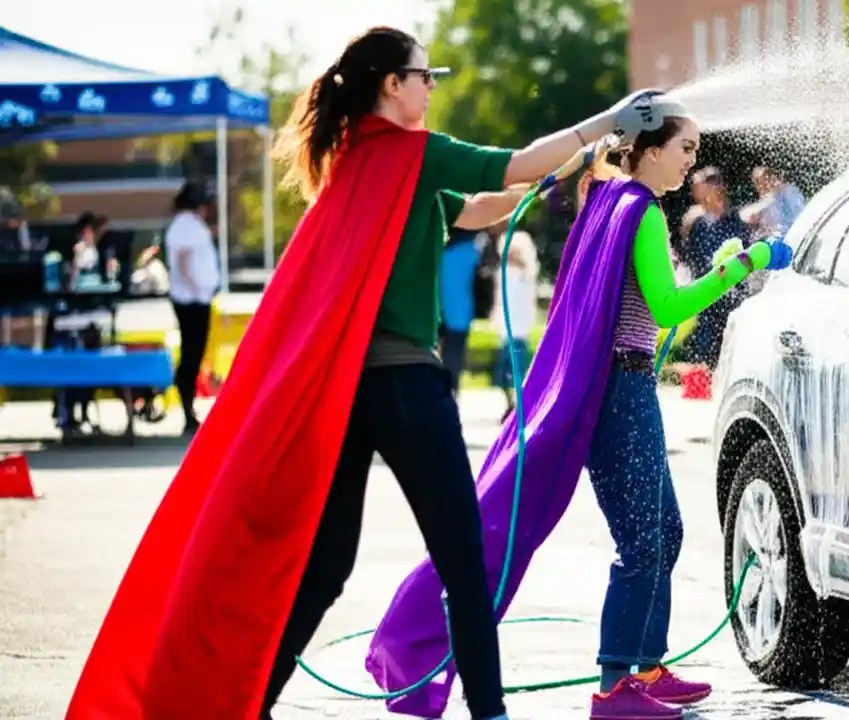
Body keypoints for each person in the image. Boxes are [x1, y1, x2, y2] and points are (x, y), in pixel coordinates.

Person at [65, 25, 660, 720]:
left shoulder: (355, 163)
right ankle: (490, 713)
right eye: (424, 75)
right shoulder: (415, 152)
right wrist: (610, 119)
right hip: (408, 387)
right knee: (464, 561)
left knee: (325, 568)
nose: (431, 86)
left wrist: (570, 164)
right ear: (392, 85)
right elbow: (514, 164)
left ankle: (254, 705)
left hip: (345, 393)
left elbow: (480, 207)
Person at [366, 93, 792, 720]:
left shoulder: (612, 200)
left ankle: (643, 668)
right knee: (644, 540)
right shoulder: (641, 210)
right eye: (684, 148)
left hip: (620, 387)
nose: (690, 160)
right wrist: (748, 262)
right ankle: (616, 689)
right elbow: (669, 308)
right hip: (623, 393)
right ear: (649, 151)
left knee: (662, 532)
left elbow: (643, 308)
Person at [679, 166, 750, 368]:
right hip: (704, 292)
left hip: (731, 292)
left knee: (731, 349)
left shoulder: (735, 220)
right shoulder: (696, 221)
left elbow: (745, 254)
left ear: (716, 189)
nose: (694, 192)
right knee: (702, 349)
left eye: (699, 187)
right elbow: (689, 256)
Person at [163, 182, 220, 434]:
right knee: (191, 353)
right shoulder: (186, 225)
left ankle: (189, 406)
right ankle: (187, 408)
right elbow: (185, 262)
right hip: (192, 300)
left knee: (194, 353)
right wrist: (198, 288)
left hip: (195, 298)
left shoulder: (188, 225)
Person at [489, 228, 538, 421]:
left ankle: (519, 406)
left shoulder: (527, 273)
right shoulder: (503, 273)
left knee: (517, 372)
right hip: (505, 331)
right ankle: (510, 404)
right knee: (503, 373)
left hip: (519, 330)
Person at [439, 225, 484, 394]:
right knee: (454, 357)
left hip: (438, 312)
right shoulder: (472, 252)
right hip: (460, 313)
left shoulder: (441, 253)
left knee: (435, 357)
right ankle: (451, 394)